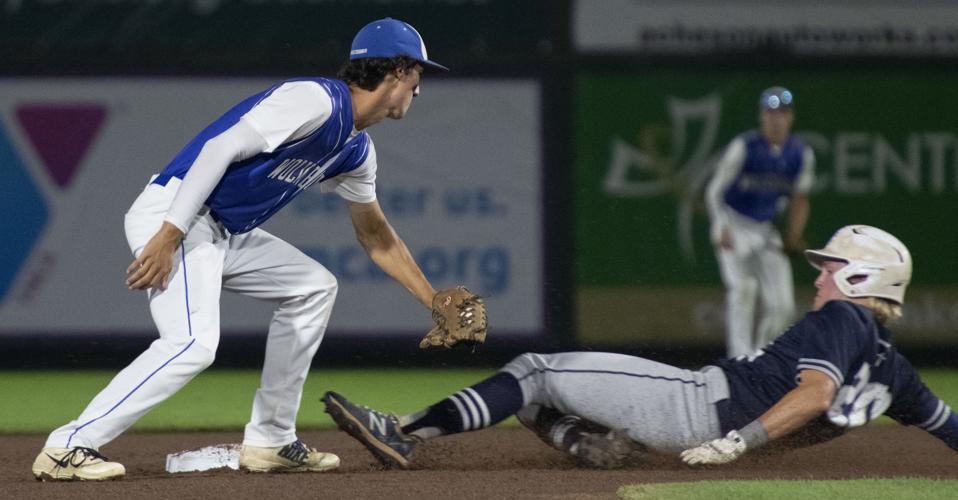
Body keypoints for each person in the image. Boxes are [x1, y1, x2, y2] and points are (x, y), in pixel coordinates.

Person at [33, 18, 456, 481]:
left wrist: (433, 300)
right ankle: (68, 445)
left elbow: (376, 236)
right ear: (396, 70)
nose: (418, 89)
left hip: (221, 230)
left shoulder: (356, 152)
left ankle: (271, 440)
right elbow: (220, 149)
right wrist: (169, 235)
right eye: (418, 74)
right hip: (176, 213)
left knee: (313, 287)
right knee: (192, 343)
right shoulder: (315, 99)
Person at [323, 225, 958, 470]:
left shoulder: (840, 320)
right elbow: (944, 424)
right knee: (528, 401)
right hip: (705, 419)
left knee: (534, 370)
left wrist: (740, 442)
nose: (819, 275)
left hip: (701, 409)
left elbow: (814, 393)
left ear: (858, 280)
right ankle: (593, 448)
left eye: (831, 266)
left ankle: (404, 431)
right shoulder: (895, 368)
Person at [705, 86, 815, 358]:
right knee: (744, 288)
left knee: (783, 305)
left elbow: (800, 199)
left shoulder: (800, 154)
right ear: (762, 116)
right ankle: (738, 360)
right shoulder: (744, 147)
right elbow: (714, 191)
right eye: (771, 113)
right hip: (733, 223)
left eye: (783, 113)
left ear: (791, 117)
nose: (777, 119)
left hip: (764, 229)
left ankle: (762, 359)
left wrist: (793, 236)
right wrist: (721, 226)